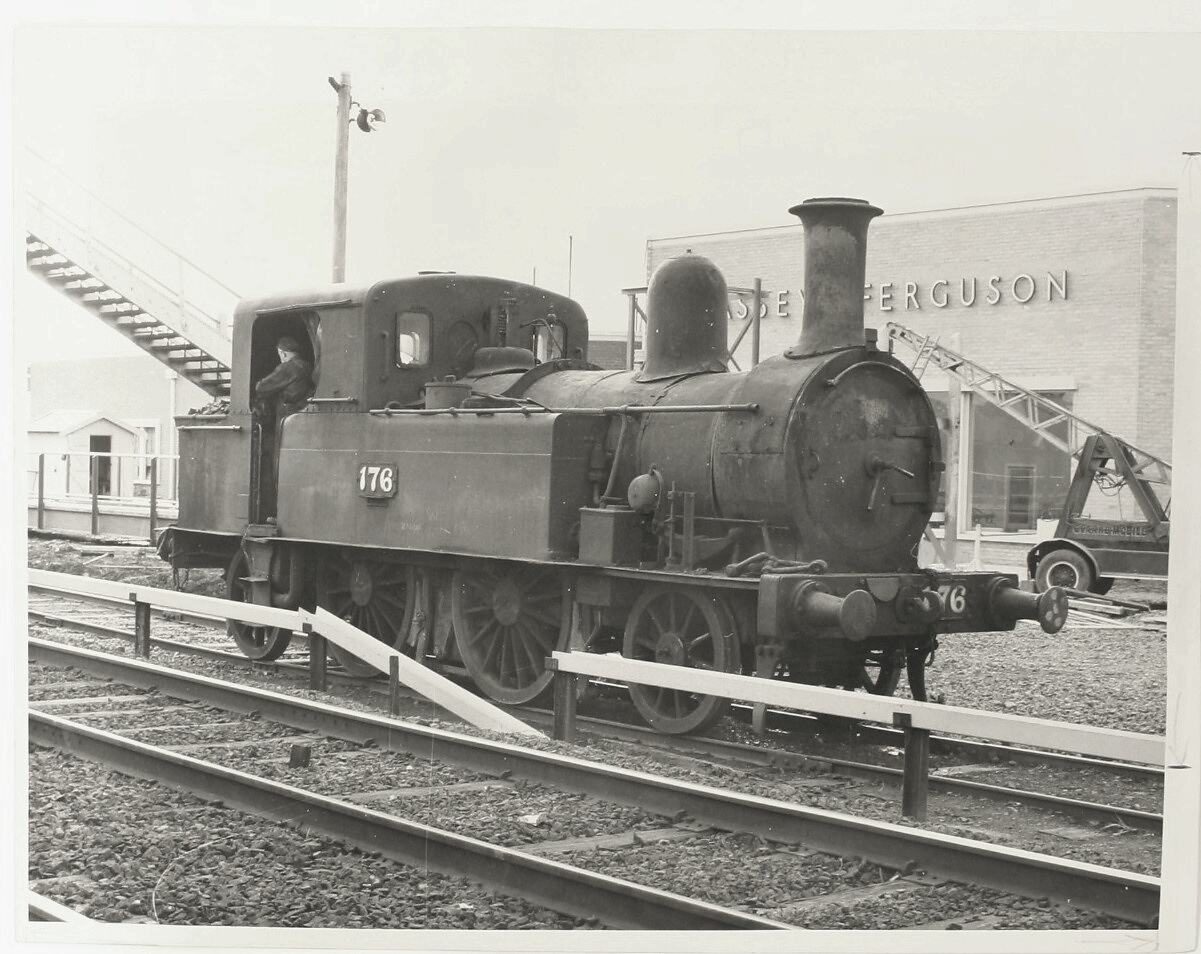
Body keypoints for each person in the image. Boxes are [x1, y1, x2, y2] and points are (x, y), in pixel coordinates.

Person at [254, 336, 314, 516]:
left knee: (278, 465)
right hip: (300, 418)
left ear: (283, 353)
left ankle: (278, 513)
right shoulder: (307, 366)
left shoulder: (290, 367)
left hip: (285, 420)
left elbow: (261, 387)